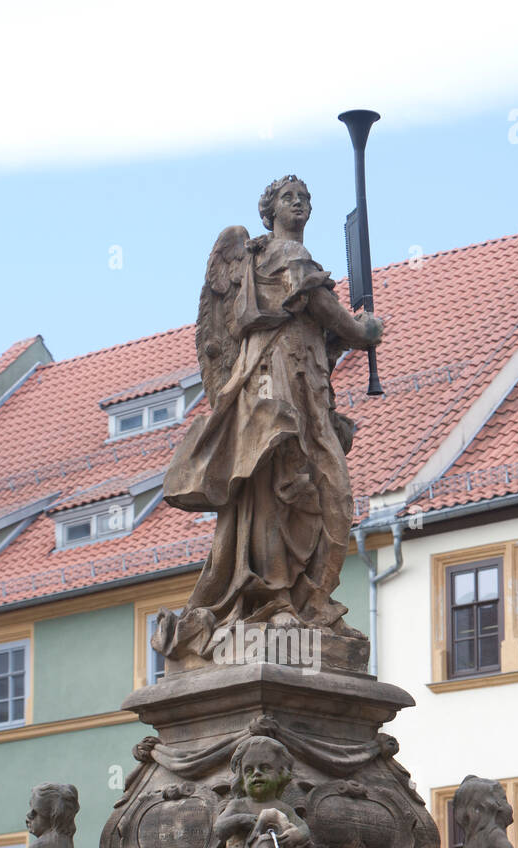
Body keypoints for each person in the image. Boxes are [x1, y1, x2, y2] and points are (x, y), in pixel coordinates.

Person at [154, 175, 384, 663]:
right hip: (271, 381)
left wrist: (340, 340)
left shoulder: (286, 263)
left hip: (304, 384)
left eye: (305, 199)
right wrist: (362, 330)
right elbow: (323, 309)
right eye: (289, 198)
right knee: (281, 481)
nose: (299, 204)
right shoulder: (279, 254)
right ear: (270, 210)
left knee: (322, 490)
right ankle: (275, 596)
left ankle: (306, 599)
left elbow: (317, 335)